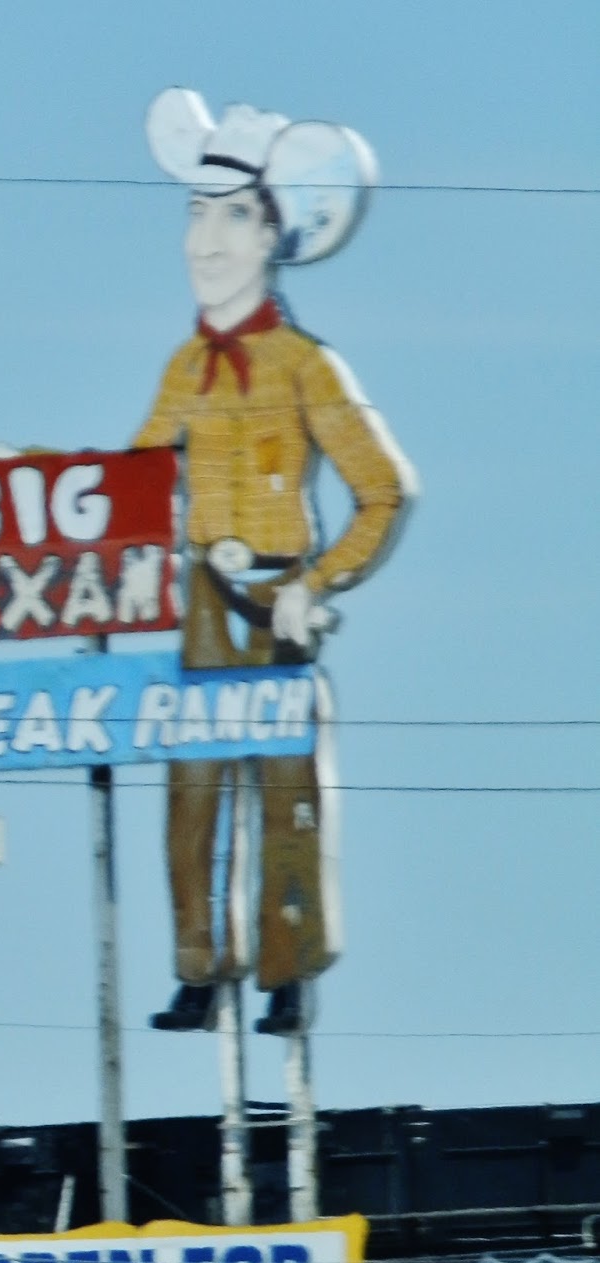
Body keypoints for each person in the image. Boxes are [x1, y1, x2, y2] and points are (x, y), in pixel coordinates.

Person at [136, 92, 417, 1035]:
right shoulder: (186, 368)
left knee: (289, 794)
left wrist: (316, 581)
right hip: (203, 597)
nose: (205, 242)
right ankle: (197, 967)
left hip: (278, 597)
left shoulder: (305, 366)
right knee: (192, 789)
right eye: (195, 215)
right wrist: (18, 471)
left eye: (232, 217)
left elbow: (384, 490)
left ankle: (289, 973)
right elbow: (128, 480)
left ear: (272, 235)